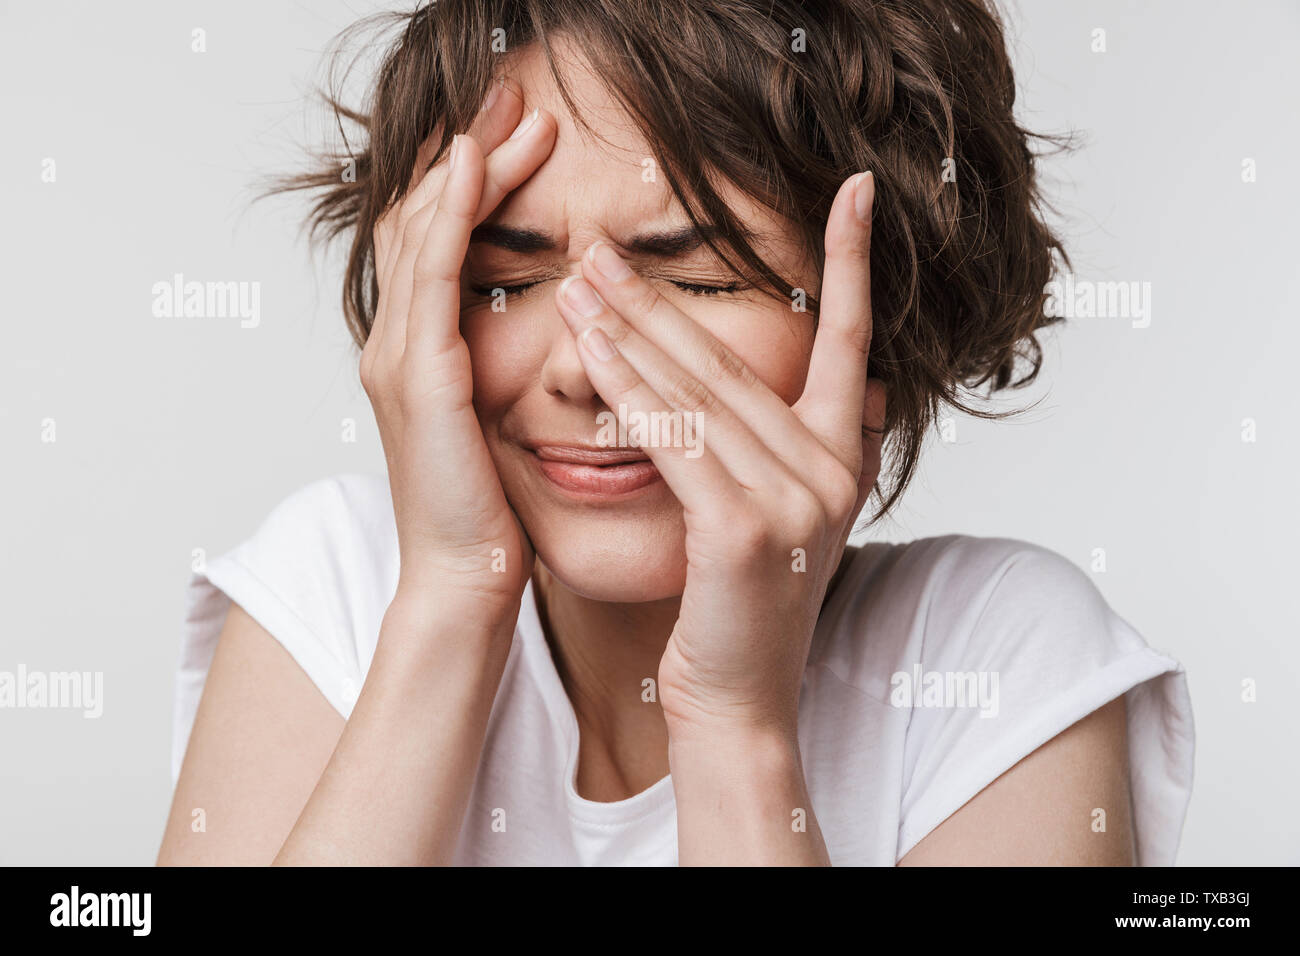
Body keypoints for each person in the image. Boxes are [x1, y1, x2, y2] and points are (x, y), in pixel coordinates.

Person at [158, 0, 1194, 866]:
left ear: (877, 318)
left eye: (695, 283)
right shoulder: (330, 588)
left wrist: (736, 725)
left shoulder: (996, 658)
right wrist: (449, 601)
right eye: (504, 282)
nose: (579, 365)